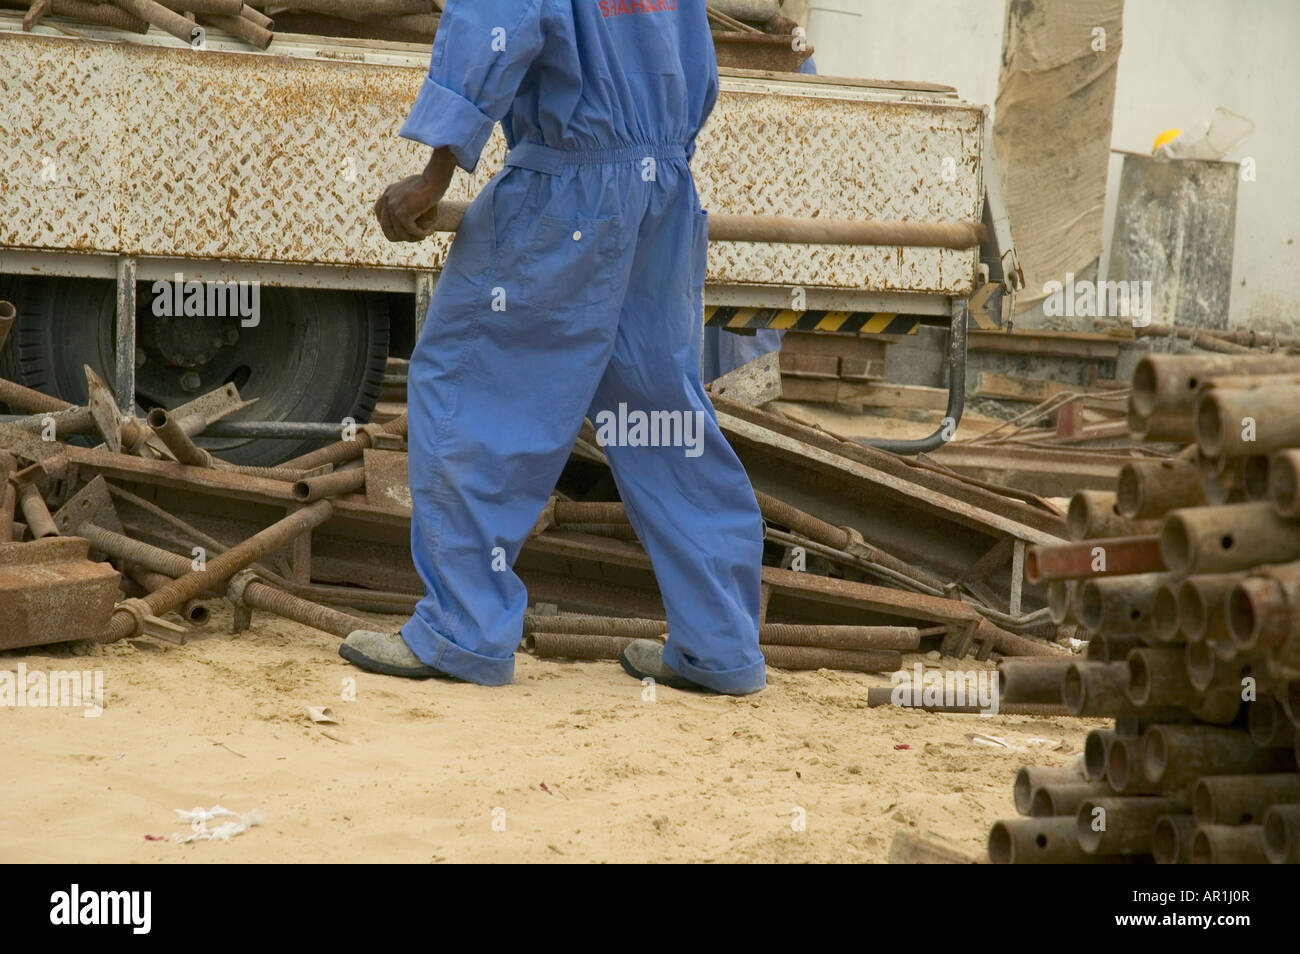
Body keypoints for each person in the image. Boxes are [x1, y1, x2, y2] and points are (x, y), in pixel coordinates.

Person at [341, 0, 767, 696]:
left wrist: (434, 177)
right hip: (662, 188)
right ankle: (720, 645)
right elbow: (691, 55)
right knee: (660, 414)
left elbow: (490, 32)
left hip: (567, 194)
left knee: (473, 388)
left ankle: (462, 630)